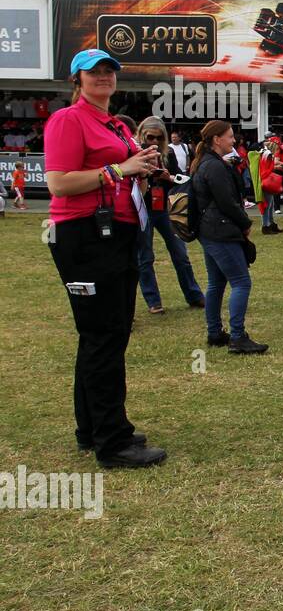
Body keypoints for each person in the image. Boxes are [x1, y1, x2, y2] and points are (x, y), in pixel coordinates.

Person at [44, 49, 167, 468]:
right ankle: (113, 442)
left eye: (109, 71)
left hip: (115, 233)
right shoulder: (68, 119)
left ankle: (93, 427)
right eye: (93, 72)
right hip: (86, 234)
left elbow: (121, 167)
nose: (103, 78)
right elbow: (59, 183)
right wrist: (120, 169)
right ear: (76, 79)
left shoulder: (114, 123)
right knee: (105, 335)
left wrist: (141, 166)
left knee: (103, 334)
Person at [191, 120, 268, 355]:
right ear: (217, 139)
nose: (233, 141)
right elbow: (227, 202)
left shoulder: (205, 164)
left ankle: (215, 332)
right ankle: (237, 337)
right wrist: (245, 224)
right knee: (241, 282)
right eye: (230, 137)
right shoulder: (214, 167)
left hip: (209, 230)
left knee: (216, 282)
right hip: (221, 230)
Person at [135, 117, 204, 314]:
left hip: (164, 207)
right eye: (150, 137)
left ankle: (194, 294)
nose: (154, 142)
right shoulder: (135, 154)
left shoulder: (168, 154)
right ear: (142, 135)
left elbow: (180, 178)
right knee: (145, 256)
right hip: (144, 208)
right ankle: (153, 301)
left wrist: (168, 177)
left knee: (180, 253)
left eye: (159, 137)